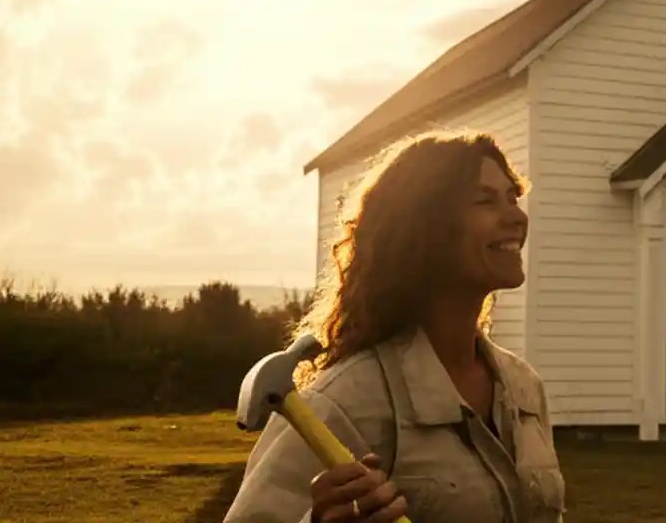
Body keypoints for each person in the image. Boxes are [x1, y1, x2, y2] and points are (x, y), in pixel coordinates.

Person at [224, 130, 566, 523]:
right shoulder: (343, 403)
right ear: (424, 229)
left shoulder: (524, 389)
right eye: (485, 201)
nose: (516, 217)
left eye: (512, 197)